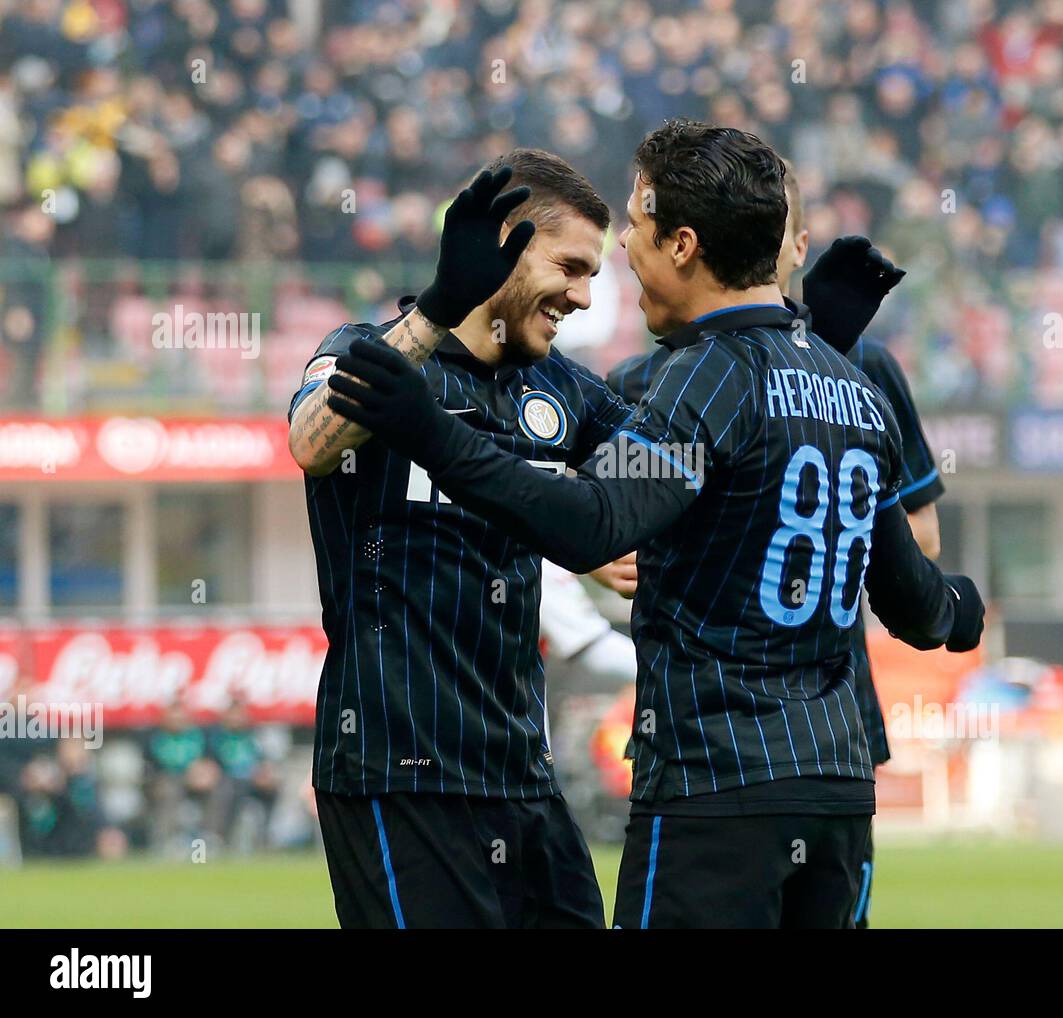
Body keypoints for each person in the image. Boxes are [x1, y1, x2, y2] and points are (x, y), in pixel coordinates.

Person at [327, 119, 984, 928]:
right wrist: (959, 609)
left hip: (714, 789)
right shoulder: (851, 388)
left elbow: (597, 518)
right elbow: (915, 601)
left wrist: (430, 431)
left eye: (633, 228)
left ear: (681, 244)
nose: (617, 263)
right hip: (837, 793)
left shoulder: (704, 379)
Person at [288, 150, 634, 928]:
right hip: (398, 773)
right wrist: (441, 305)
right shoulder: (365, 348)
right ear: (503, 245)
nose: (582, 297)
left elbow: (670, 472)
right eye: (571, 267)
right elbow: (312, 444)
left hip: (522, 776)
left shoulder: (565, 392)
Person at [607, 162, 941, 929]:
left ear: (795, 243)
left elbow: (917, 535)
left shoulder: (868, 369)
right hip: (721, 729)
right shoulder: (651, 381)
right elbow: (603, 524)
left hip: (814, 719)